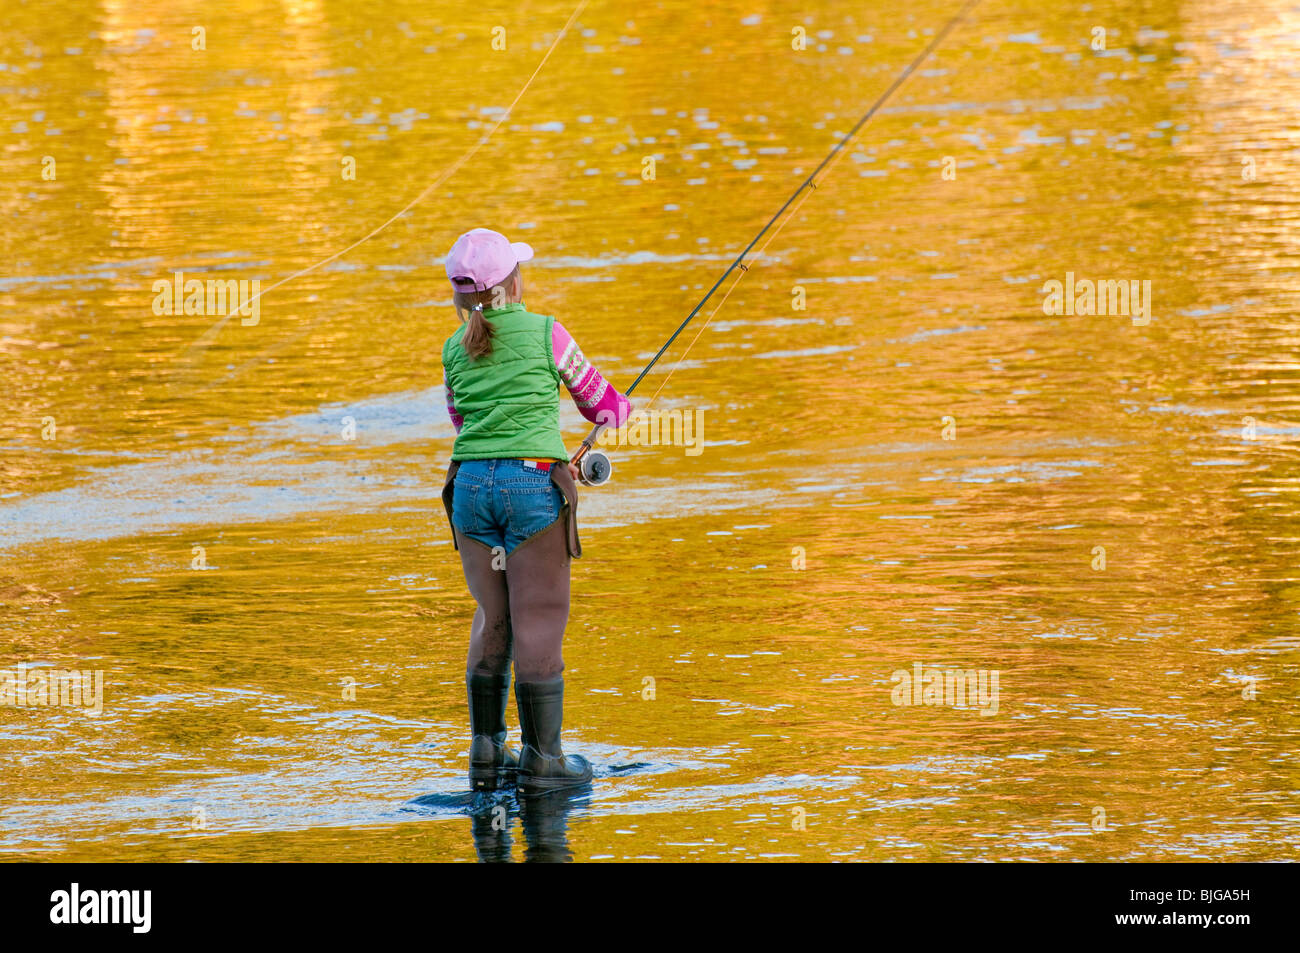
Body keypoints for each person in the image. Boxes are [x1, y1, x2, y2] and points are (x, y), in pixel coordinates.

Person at [439, 228, 632, 796]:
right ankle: (545, 759)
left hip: (469, 488)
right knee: (539, 619)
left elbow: (462, 424)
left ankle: (485, 749)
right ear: (513, 283)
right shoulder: (548, 333)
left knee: (491, 614)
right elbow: (602, 404)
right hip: (532, 488)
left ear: (462, 296)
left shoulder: (453, 348)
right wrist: (619, 410)